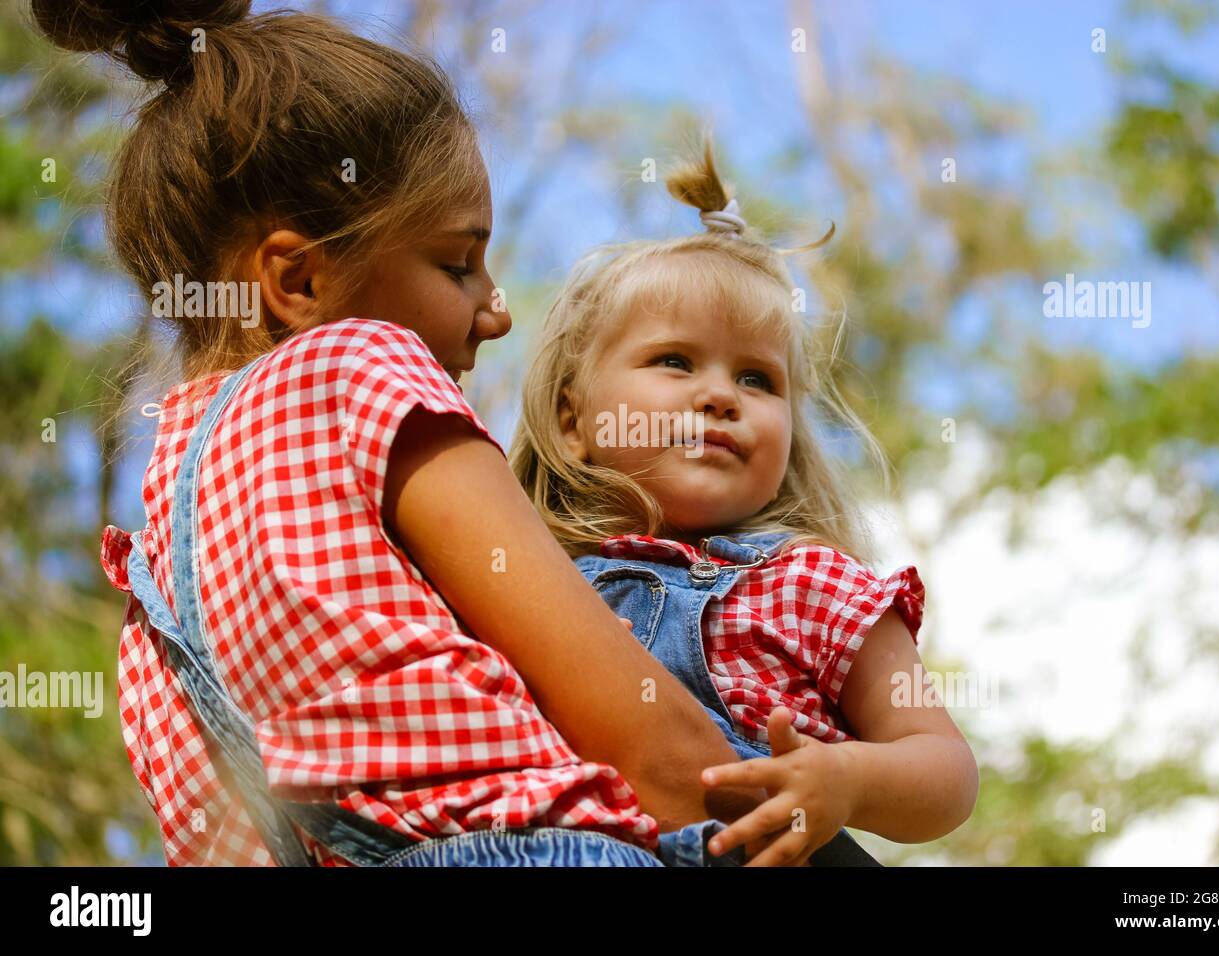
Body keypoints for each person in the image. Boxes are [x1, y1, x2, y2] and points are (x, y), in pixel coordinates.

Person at [36, 0, 765, 866]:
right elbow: (654, 745)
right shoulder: (358, 370)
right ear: (298, 279)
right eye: (457, 264)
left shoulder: (154, 573)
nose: (494, 313)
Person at [510, 142, 980, 866]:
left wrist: (847, 780)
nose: (722, 395)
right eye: (675, 360)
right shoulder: (530, 579)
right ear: (574, 423)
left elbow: (946, 771)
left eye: (759, 379)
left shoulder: (811, 583)